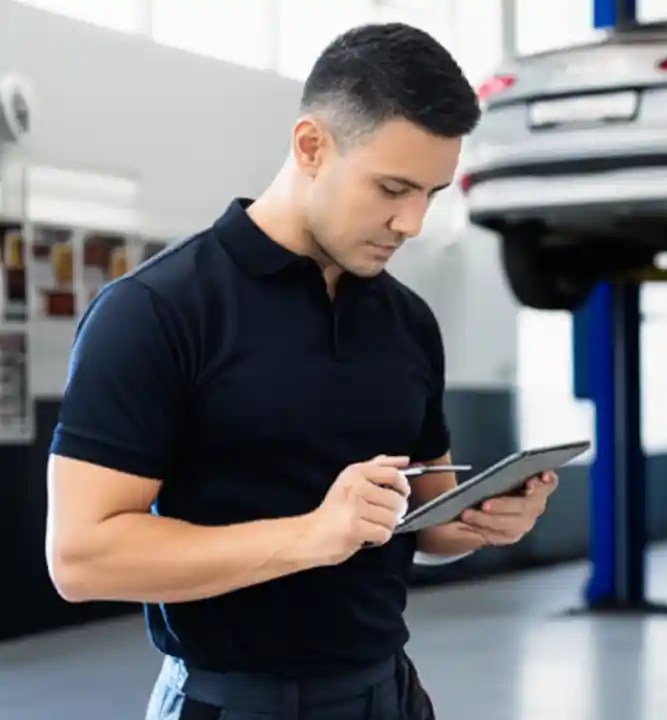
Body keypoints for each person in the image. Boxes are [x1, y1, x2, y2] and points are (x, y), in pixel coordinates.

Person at [43, 23, 557, 719]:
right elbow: (81, 557)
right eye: (391, 188)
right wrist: (312, 535)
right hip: (231, 702)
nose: (410, 223)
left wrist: (484, 519)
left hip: (388, 693)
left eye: (431, 195)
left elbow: (426, 520)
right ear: (311, 146)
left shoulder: (407, 322)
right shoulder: (155, 311)